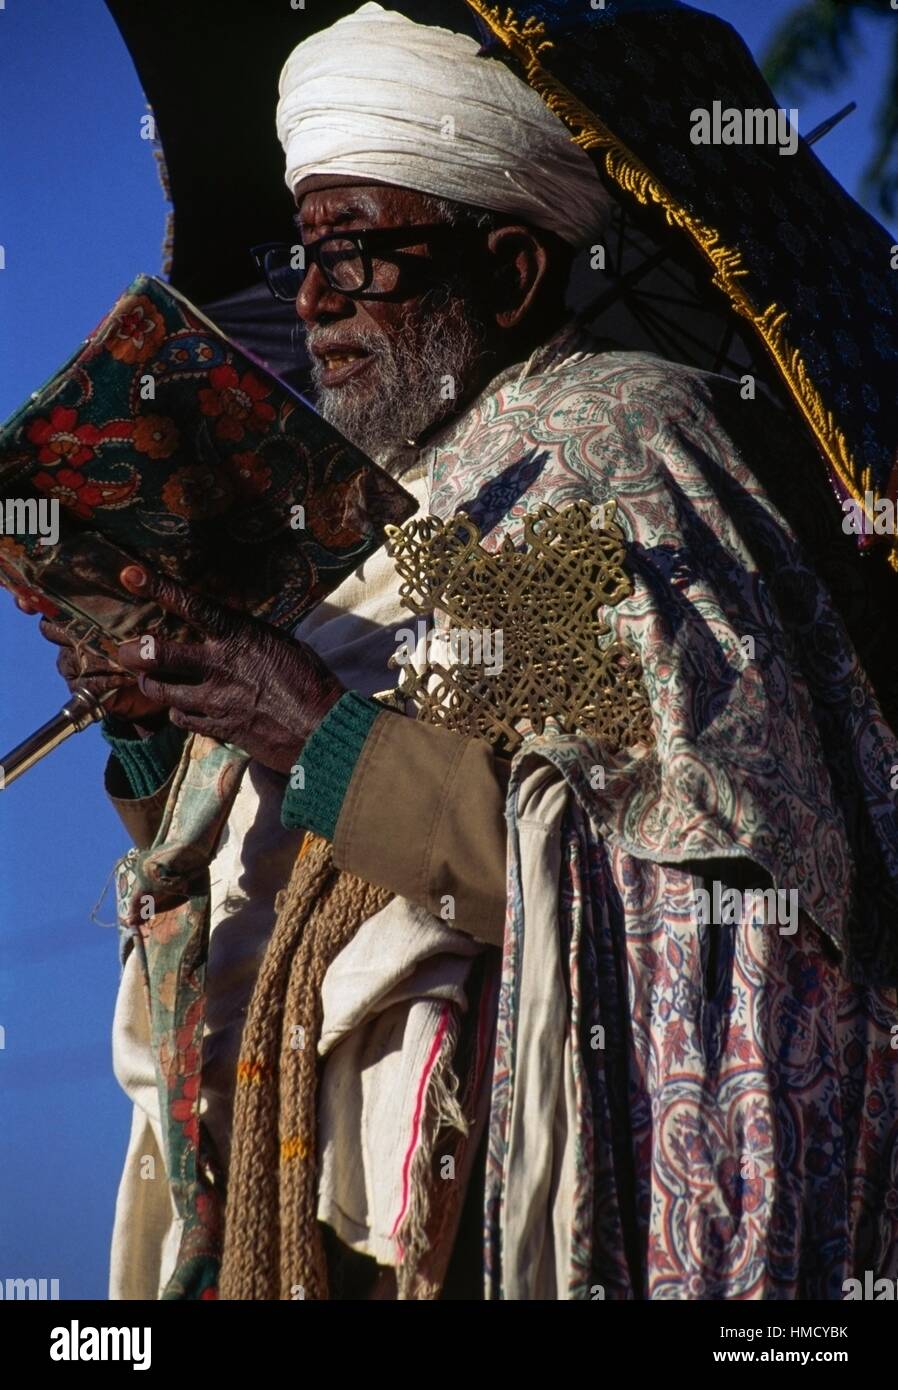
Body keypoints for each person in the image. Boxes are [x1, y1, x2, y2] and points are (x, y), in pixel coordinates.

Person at [27, 1, 898, 1300]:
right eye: (299, 250)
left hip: (500, 1211)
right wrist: (159, 716)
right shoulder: (331, 514)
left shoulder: (610, 448)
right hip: (281, 1205)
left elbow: (658, 897)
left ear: (508, 267)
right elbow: (245, 868)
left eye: (359, 256)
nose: (312, 299)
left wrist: (316, 730)